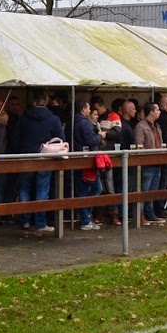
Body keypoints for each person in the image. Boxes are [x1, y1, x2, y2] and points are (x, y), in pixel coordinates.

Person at [17, 91, 65, 233]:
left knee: (24, 188)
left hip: (25, 156)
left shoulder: (23, 118)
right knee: (42, 190)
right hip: (45, 157)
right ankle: (40, 223)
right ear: (46, 100)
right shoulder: (53, 119)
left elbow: (15, 137)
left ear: (33, 101)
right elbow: (61, 138)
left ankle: (25, 221)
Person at [71, 99, 104, 230]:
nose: (90, 111)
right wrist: (100, 136)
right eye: (88, 108)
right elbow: (91, 140)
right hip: (86, 160)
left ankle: (85, 216)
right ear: (83, 109)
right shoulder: (84, 123)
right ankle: (85, 218)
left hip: (78, 158)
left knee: (84, 189)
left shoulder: (72, 121)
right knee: (94, 188)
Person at [134, 101, 167, 224]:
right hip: (147, 163)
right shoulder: (141, 127)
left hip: (157, 161)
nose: (159, 112)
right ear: (151, 112)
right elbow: (139, 145)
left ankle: (150, 213)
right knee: (144, 190)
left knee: (152, 190)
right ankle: (140, 214)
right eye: (157, 110)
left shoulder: (157, 127)